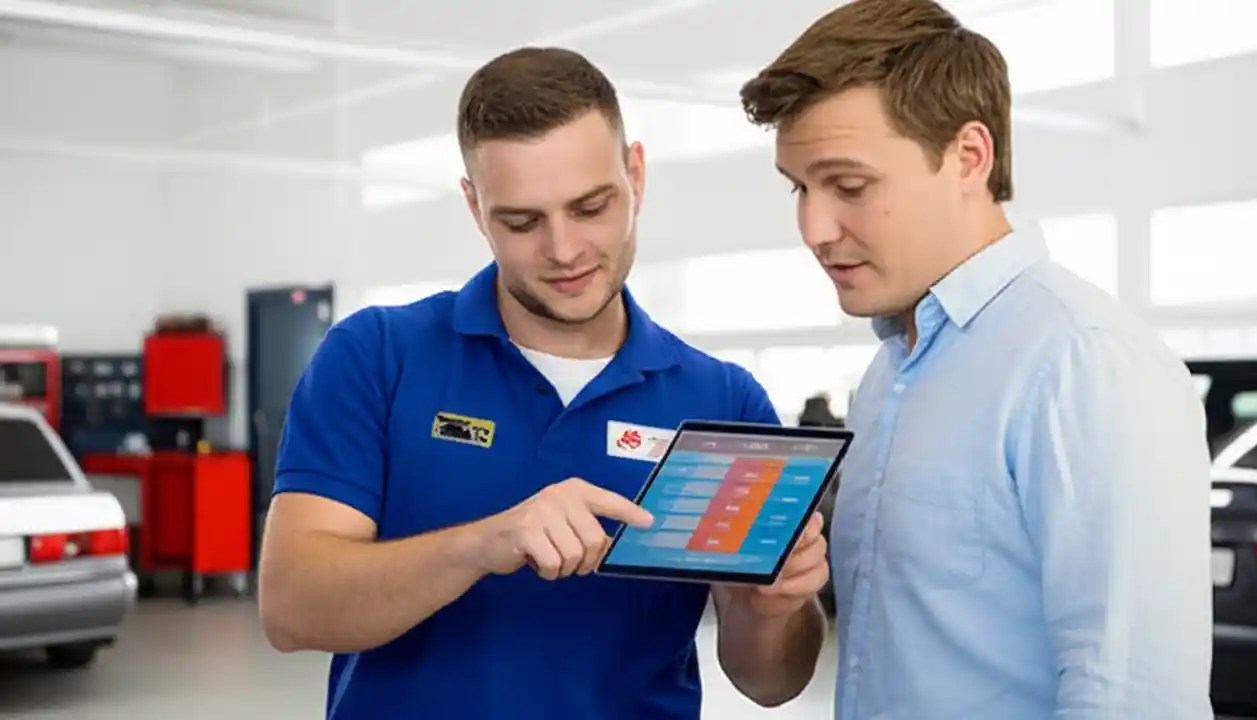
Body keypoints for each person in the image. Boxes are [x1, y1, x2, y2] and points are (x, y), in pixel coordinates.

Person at [257, 46, 829, 720]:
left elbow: (771, 682)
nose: (563, 250)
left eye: (590, 208)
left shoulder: (722, 404)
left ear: (636, 176)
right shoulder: (376, 355)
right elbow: (293, 608)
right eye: (523, 222)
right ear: (475, 207)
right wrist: (483, 544)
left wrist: (774, 609)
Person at [738, 1, 1213, 718]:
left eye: (850, 186)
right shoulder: (889, 374)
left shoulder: (1082, 365)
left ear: (968, 157)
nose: (813, 228)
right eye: (800, 187)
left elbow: (1133, 697)